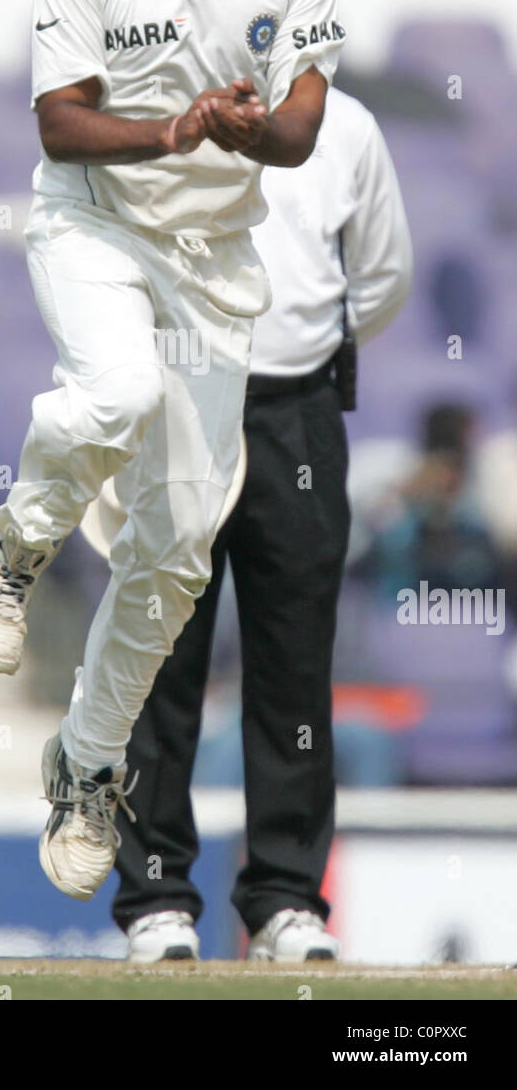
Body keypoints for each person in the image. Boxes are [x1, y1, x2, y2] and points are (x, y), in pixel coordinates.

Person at [0, 0, 346, 901]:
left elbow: (301, 132)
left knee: (173, 553)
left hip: (213, 267)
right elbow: (60, 123)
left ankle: (84, 766)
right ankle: (14, 547)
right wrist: (180, 126)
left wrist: (246, 127)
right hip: (96, 230)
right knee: (113, 396)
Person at [111, 87, 413, 962]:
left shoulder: (348, 127)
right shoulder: (154, 110)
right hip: (176, 404)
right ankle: (156, 900)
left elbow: (383, 274)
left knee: (292, 662)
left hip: (296, 414)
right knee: (161, 655)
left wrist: (305, 350)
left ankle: (285, 900)